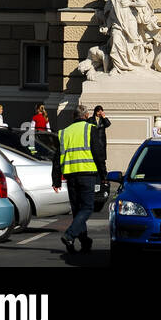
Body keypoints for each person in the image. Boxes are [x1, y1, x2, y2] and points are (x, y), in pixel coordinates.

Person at [51, 104, 106, 254]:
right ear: (87, 115)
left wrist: (56, 179)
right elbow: (98, 153)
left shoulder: (64, 132)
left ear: (72, 116)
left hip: (71, 176)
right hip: (87, 174)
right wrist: (104, 175)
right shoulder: (90, 129)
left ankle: (85, 242)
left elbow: (56, 158)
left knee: (77, 211)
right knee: (87, 208)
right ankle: (69, 235)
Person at [91, 105, 111, 177]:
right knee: (94, 161)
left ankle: (104, 177)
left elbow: (108, 124)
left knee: (102, 162)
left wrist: (104, 117)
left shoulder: (103, 120)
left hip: (101, 143)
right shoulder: (91, 119)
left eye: (101, 111)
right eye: (98, 111)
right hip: (93, 142)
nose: (99, 113)